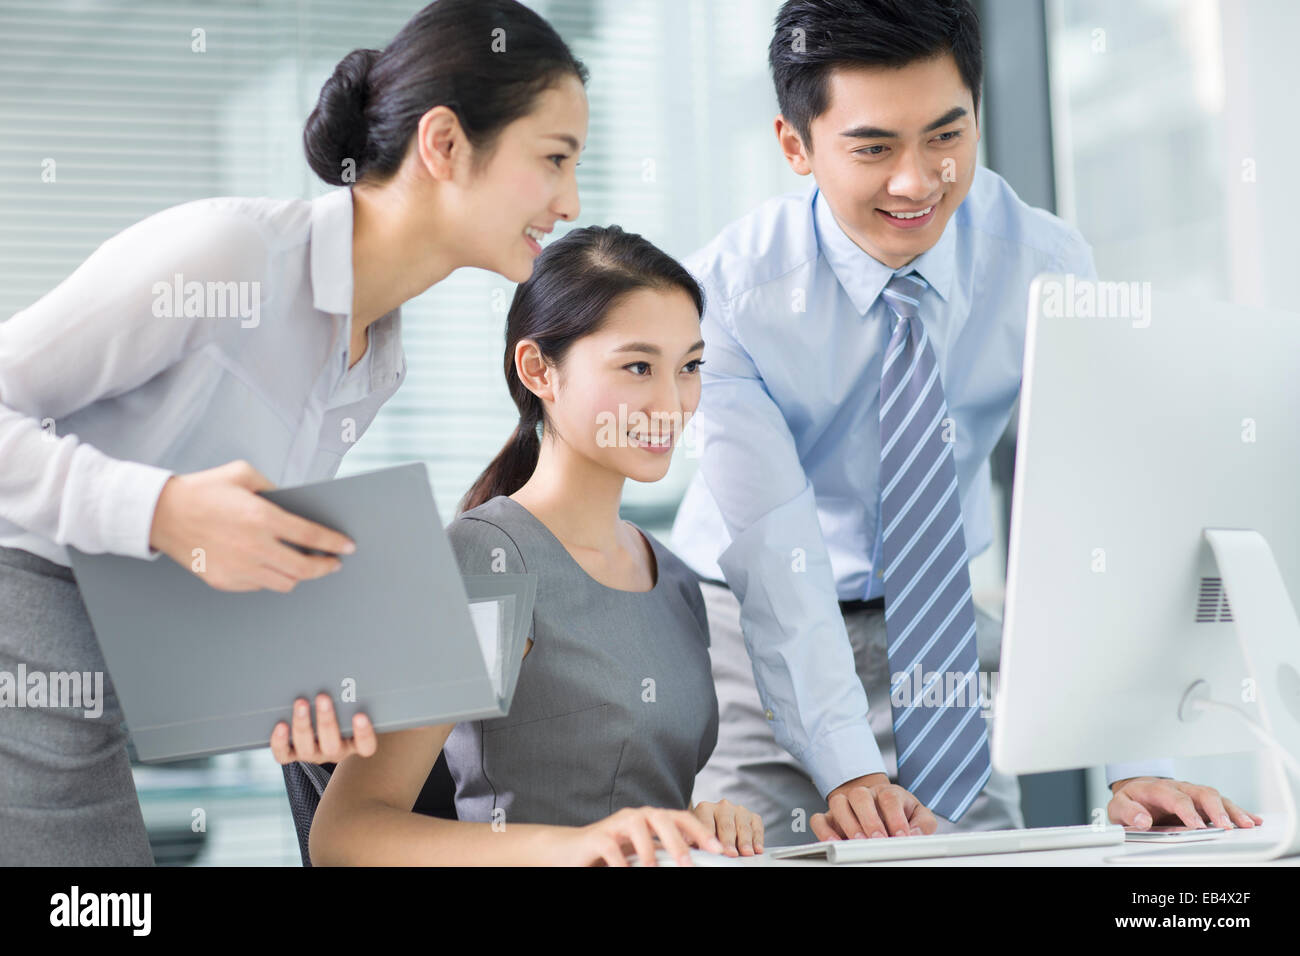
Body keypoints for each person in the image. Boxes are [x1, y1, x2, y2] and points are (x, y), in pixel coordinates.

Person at [0, 0, 589, 865]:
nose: (569, 201)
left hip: (103, 673)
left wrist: (298, 686)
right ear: (445, 145)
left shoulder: (371, 359)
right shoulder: (228, 257)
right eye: (553, 160)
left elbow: (206, 560)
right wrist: (162, 509)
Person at [671, 0, 1263, 846]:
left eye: (947, 136)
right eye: (874, 148)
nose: (917, 182)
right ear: (795, 145)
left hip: (937, 630)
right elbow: (776, 550)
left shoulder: (1045, 263)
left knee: (980, 857)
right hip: (752, 635)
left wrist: (1139, 759)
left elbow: (1093, 511)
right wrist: (849, 767)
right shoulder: (728, 296)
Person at [309, 225, 763, 866]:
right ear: (538, 370)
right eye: (638, 367)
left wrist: (692, 826)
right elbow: (346, 836)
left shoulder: (678, 581)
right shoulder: (488, 561)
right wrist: (577, 847)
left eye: (688, 367)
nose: (671, 403)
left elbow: (622, 800)